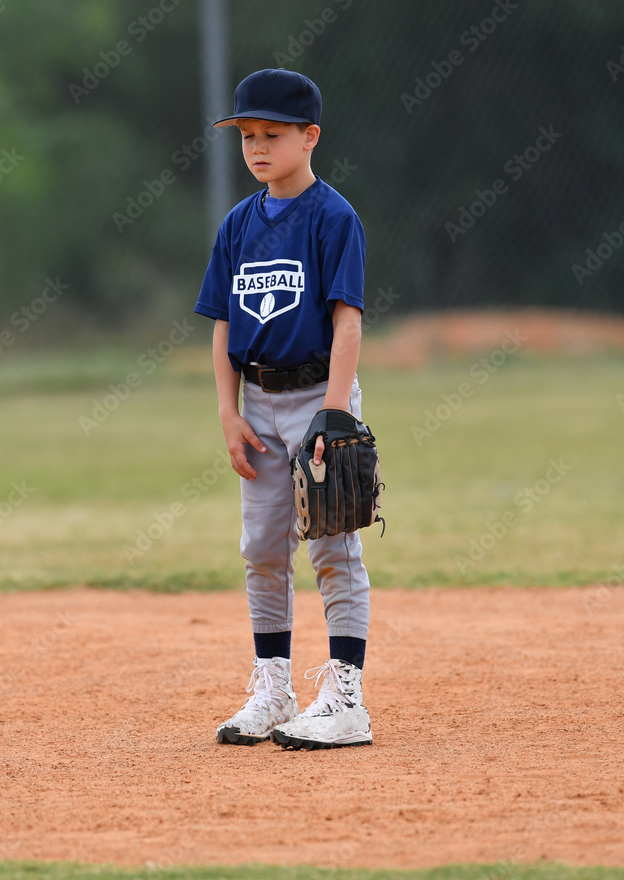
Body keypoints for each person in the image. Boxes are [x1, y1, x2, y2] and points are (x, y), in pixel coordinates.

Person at [194, 68, 372, 750]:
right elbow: (222, 328)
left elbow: (348, 322)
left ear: (310, 137)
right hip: (259, 403)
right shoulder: (238, 225)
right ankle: (273, 688)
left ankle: (346, 697)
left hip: (318, 397)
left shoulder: (333, 217)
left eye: (272, 134)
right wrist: (228, 411)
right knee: (263, 549)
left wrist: (335, 414)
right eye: (247, 136)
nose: (258, 147)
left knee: (332, 543)